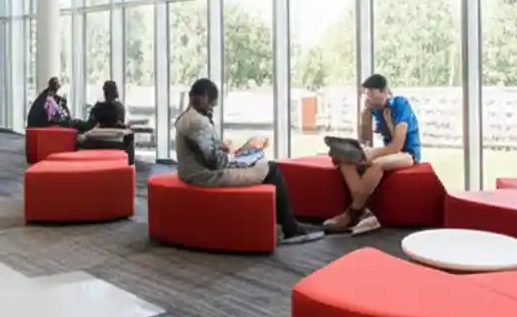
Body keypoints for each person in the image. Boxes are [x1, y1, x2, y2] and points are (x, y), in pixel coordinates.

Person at [174, 78, 323, 245]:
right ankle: (290, 229)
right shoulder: (197, 121)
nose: (211, 109)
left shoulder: (186, 117)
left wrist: (228, 151)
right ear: (206, 99)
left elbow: (205, 150)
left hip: (194, 172)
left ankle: (282, 223)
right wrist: (238, 160)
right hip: (206, 176)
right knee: (272, 169)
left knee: (258, 160)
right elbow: (214, 162)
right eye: (212, 104)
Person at [324, 74, 421, 235]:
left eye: (371, 92)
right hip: (387, 152)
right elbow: (366, 140)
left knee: (377, 164)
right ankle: (365, 210)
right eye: (366, 92)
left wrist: (372, 154)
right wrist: (365, 117)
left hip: (407, 154)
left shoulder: (400, 104)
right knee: (344, 161)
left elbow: (397, 145)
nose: (368, 95)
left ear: (383, 91)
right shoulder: (375, 111)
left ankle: (353, 213)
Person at [77, 81, 135, 164]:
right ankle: (129, 164)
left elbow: (89, 125)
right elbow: (119, 123)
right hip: (116, 141)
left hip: (98, 141)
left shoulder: (98, 107)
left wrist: (77, 124)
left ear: (104, 92)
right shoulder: (120, 107)